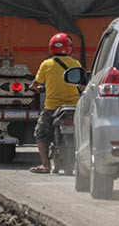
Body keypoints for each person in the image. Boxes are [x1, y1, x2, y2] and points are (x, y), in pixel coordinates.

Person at [29, 32, 82, 174]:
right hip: (73, 107)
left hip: (52, 108)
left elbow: (36, 83)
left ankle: (45, 165)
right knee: (83, 134)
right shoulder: (75, 63)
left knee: (40, 134)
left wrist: (34, 87)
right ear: (69, 47)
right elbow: (81, 85)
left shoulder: (46, 64)